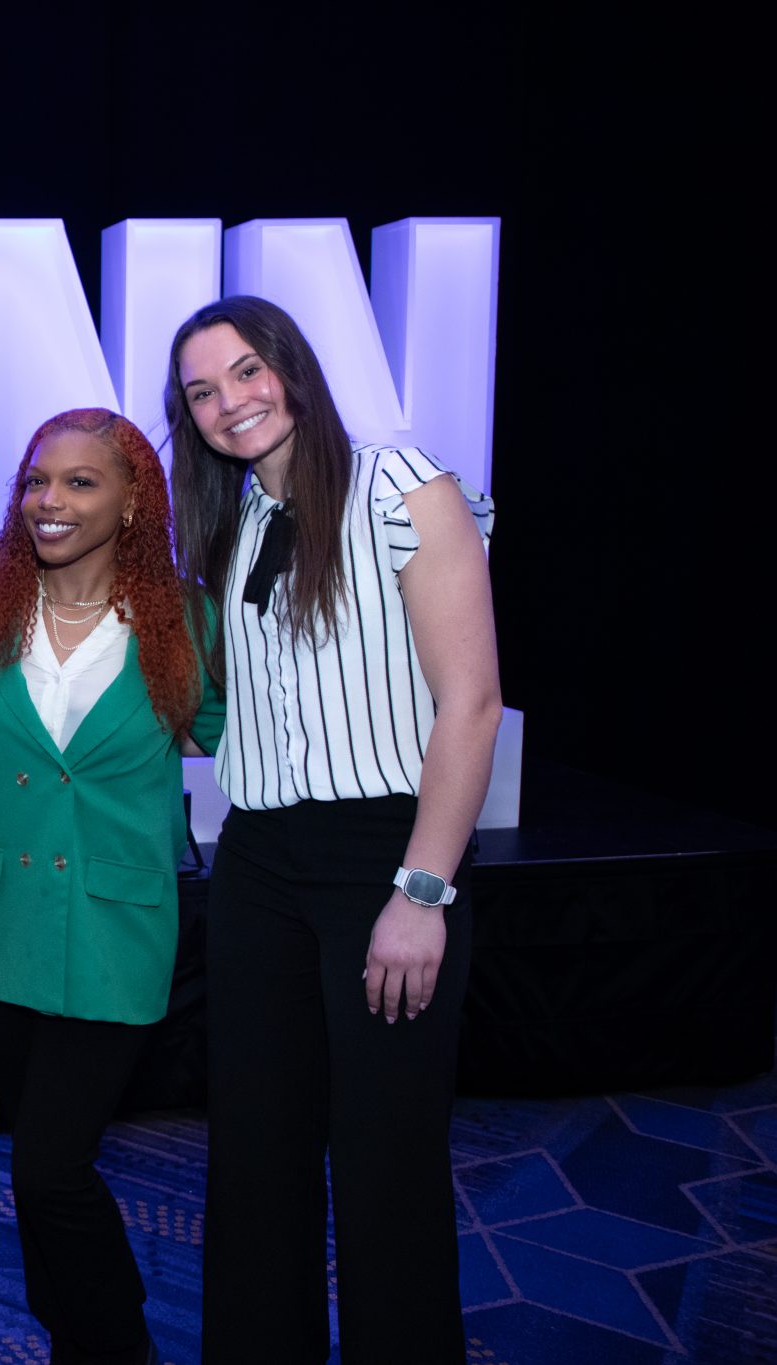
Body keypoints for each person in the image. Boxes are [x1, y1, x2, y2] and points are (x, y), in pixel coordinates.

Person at [166, 296, 500, 1364]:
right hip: (258, 866)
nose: (229, 402)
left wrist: (419, 892)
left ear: (291, 369)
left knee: (384, 1159)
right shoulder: (233, 524)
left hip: (384, 859)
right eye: (201, 393)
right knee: (252, 1157)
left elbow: (471, 704)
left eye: (245, 372)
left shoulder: (405, 486)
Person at [0, 408, 222, 1365]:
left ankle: (117, 1345)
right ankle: (76, 1340)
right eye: (34, 482)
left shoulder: (186, 618)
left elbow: (251, 733)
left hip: (117, 935)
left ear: (135, 498)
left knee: (57, 1167)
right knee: (34, 1168)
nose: (49, 501)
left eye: (80, 482)